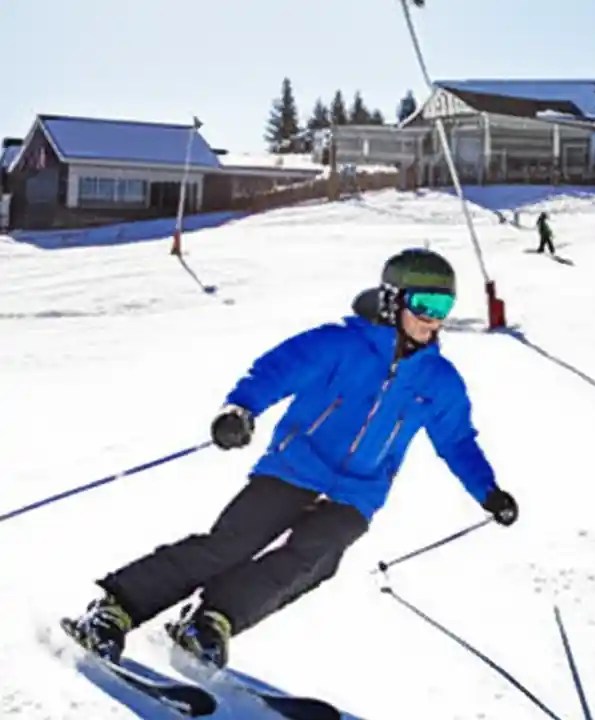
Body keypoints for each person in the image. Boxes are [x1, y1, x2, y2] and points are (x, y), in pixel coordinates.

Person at [63, 249, 519, 669]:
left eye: (443, 309)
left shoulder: (439, 379)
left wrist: (488, 491)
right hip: (295, 466)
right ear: (391, 299)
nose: (432, 320)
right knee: (231, 544)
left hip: (359, 491)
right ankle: (116, 608)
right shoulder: (341, 343)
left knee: (312, 561)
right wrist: (240, 409)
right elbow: (275, 370)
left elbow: (457, 441)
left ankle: (212, 621)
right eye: (424, 305)